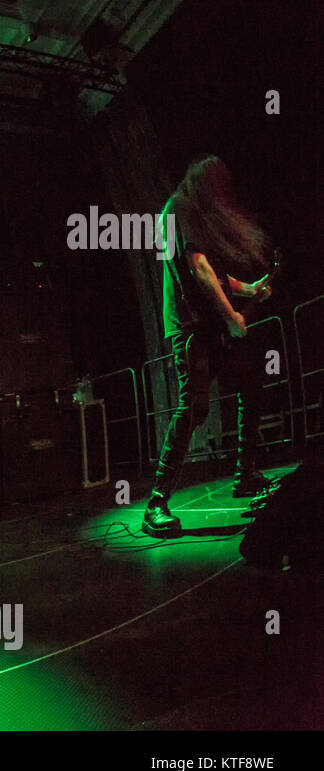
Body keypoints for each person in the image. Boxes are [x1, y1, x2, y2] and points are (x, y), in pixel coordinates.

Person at [143, 155, 274, 536]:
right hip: (190, 328)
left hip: (209, 325)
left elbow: (217, 274)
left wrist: (250, 288)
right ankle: (156, 502)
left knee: (250, 384)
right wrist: (233, 318)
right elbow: (198, 268)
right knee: (193, 408)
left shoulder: (196, 215)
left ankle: (246, 475)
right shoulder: (179, 208)